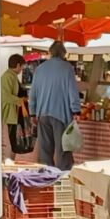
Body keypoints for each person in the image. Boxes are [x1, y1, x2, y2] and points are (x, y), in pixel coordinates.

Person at [28, 39, 81, 169]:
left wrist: (32, 113)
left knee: (45, 149)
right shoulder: (67, 68)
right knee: (63, 148)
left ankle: (47, 174)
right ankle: (64, 174)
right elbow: (72, 91)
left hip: (42, 113)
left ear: (50, 52)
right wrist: (76, 110)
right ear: (63, 53)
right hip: (61, 114)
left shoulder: (40, 69)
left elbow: (33, 93)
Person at [0, 53, 29, 157]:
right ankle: (8, 161)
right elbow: (4, 95)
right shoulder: (8, 76)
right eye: (22, 66)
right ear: (18, 65)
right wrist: (20, 100)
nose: (22, 69)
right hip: (9, 113)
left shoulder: (12, 76)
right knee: (10, 140)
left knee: (13, 140)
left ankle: (10, 160)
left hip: (13, 113)